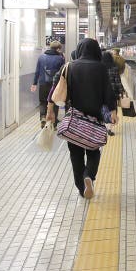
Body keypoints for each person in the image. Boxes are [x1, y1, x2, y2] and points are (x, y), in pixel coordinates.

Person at [63, 38, 117, 199]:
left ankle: (81, 188)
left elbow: (58, 88)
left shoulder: (70, 66)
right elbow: (109, 92)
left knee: (75, 154)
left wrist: (51, 110)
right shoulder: (101, 68)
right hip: (94, 117)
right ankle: (89, 176)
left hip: (74, 117)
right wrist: (113, 111)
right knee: (93, 150)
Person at [31, 41, 65, 128]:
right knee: (55, 102)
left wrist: (34, 83)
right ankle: (54, 123)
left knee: (43, 102)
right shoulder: (60, 58)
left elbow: (37, 71)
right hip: (55, 85)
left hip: (43, 84)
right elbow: (62, 73)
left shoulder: (41, 57)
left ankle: (43, 117)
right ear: (58, 49)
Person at [102, 51, 124, 137]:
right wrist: (122, 91)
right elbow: (118, 82)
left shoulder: (100, 68)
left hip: (102, 93)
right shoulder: (114, 68)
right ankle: (109, 129)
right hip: (113, 93)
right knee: (113, 110)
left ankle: (104, 126)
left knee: (104, 109)